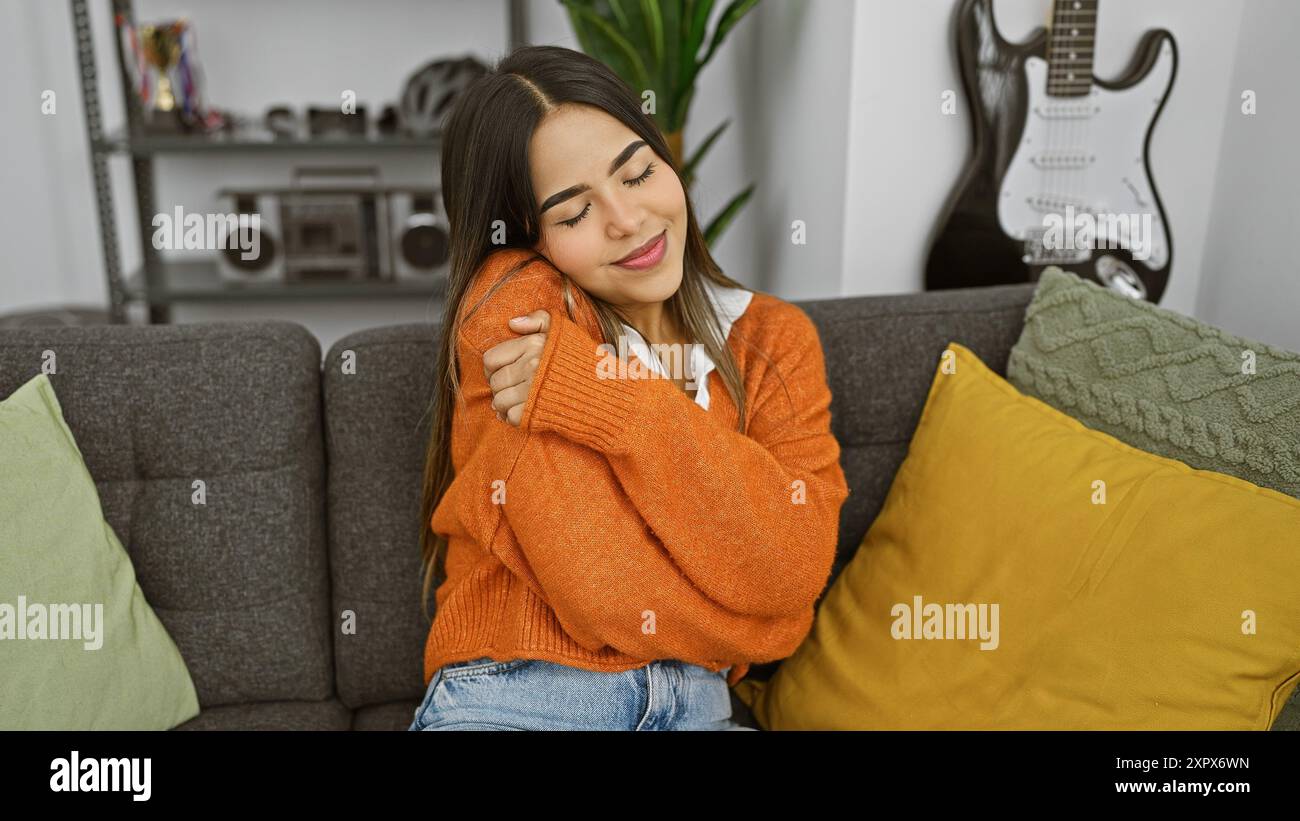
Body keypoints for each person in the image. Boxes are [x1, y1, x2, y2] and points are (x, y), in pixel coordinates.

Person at [409, 44, 849, 731]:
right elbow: (601, 589)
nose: (626, 219)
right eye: (574, 213)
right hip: (519, 700)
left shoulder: (774, 340)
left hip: (700, 712)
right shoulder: (516, 311)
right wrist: (762, 627)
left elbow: (794, 569)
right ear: (528, 235)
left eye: (639, 172)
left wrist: (606, 396)